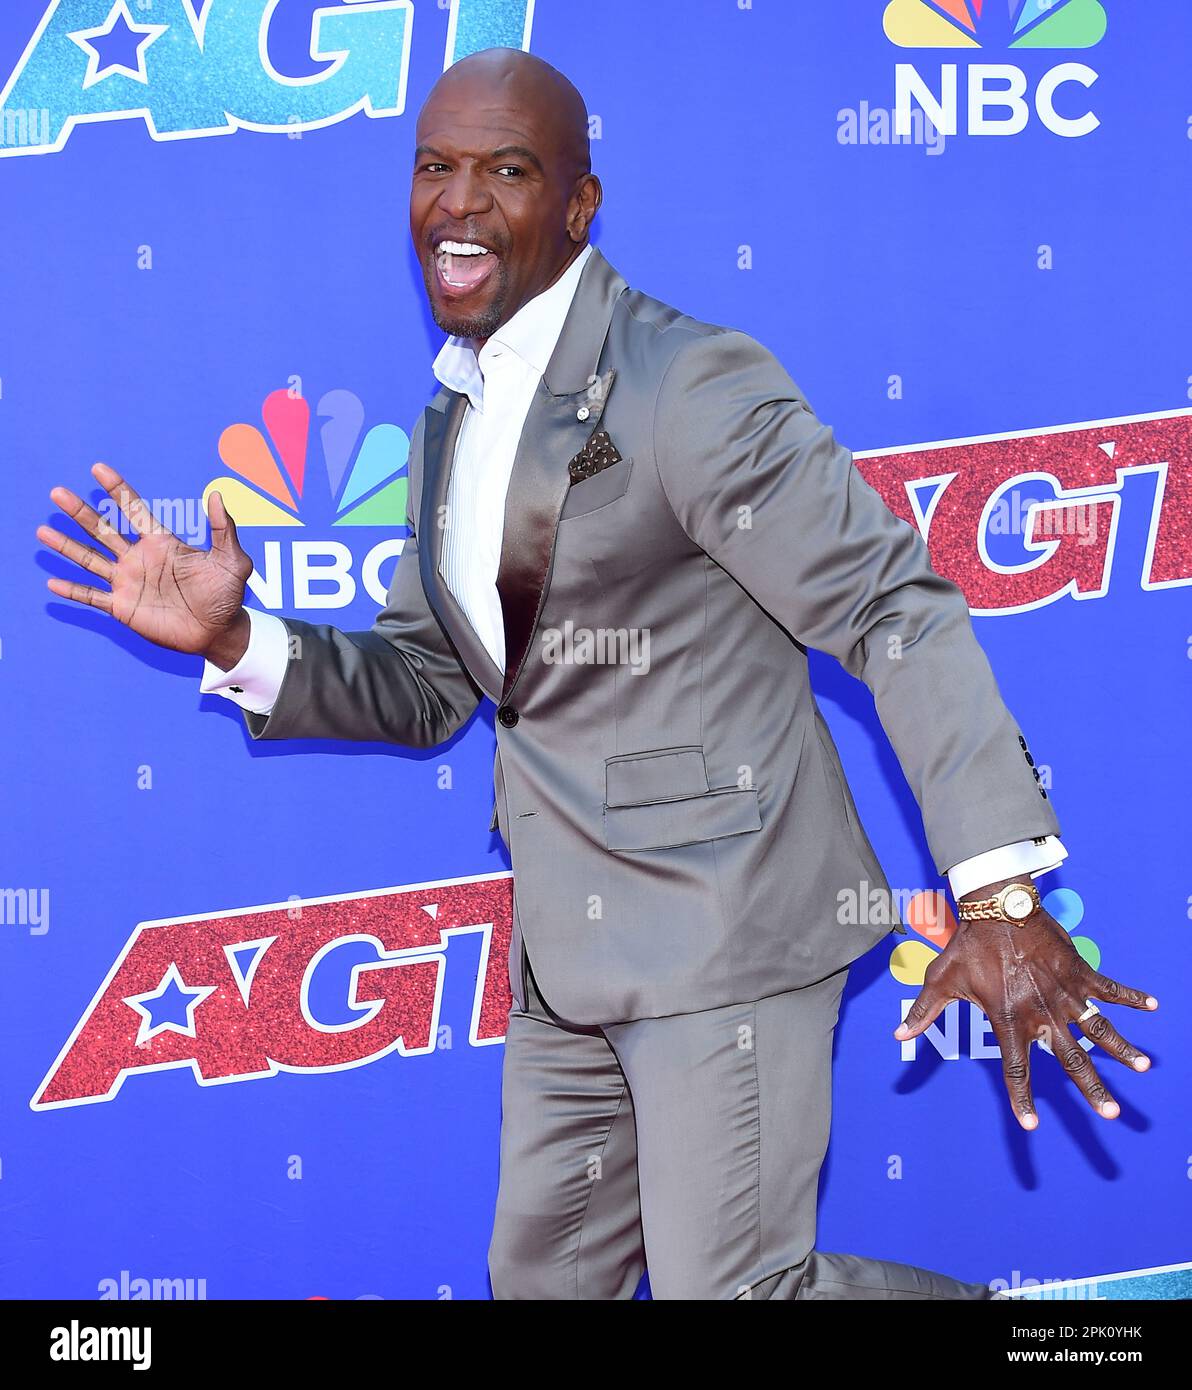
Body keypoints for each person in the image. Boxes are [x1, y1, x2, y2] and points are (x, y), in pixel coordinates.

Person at [37, 47, 1158, 1301]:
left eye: (505, 171)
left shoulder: (690, 382)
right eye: (433, 168)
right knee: (547, 1288)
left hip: (723, 929)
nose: (456, 203)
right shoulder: (452, 413)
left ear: (579, 206)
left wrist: (998, 890)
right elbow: (426, 684)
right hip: (565, 953)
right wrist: (238, 641)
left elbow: (889, 604)